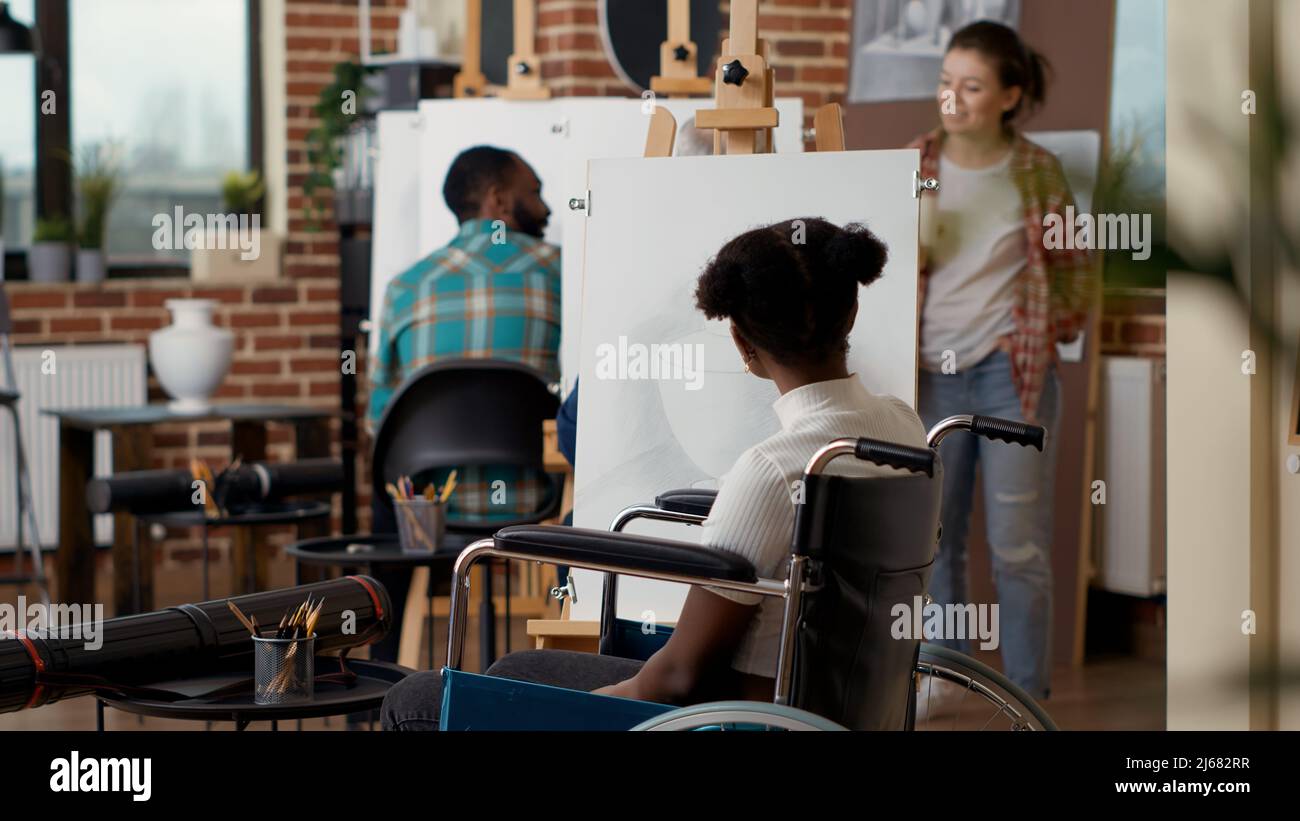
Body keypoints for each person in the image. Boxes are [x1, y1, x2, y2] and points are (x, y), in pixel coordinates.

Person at [381, 217, 926, 729]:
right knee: (516, 671)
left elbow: (679, 678)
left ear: (743, 345)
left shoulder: (771, 471)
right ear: (850, 314)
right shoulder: (901, 430)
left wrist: (571, 715)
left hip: (730, 718)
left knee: (414, 700)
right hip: (836, 709)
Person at [908, 20, 1092, 702]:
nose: (953, 98)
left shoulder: (1038, 172)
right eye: (945, 82)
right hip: (931, 374)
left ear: (1010, 96)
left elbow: (1075, 269)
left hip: (1011, 377)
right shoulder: (917, 162)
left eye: (972, 86)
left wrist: (1042, 334)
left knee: (1018, 548)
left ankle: (1023, 699)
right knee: (936, 539)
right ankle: (948, 687)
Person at [365, 145, 560, 664]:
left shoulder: (406, 286)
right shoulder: (565, 272)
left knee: (384, 491)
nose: (546, 207)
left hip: (428, 516)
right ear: (499, 200)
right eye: (535, 193)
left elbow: (376, 418)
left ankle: (380, 675)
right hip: (538, 500)